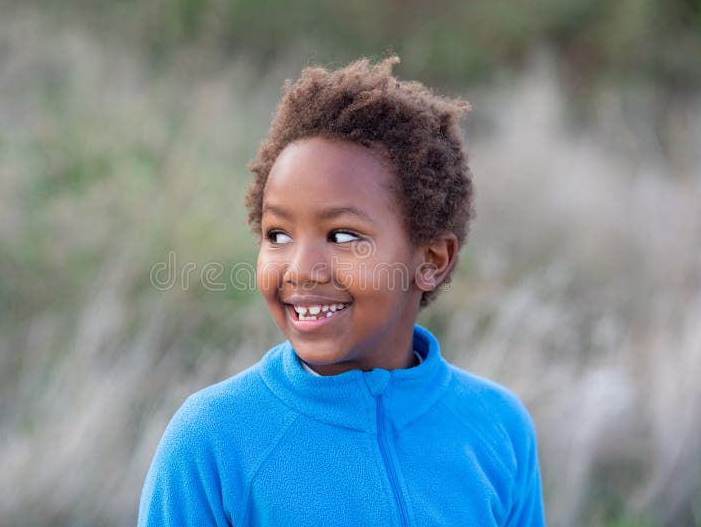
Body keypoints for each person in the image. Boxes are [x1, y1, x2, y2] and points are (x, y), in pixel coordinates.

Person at [138, 56, 546, 527]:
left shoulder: (497, 426)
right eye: (278, 235)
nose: (302, 269)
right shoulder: (213, 441)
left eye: (343, 236)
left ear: (431, 260)